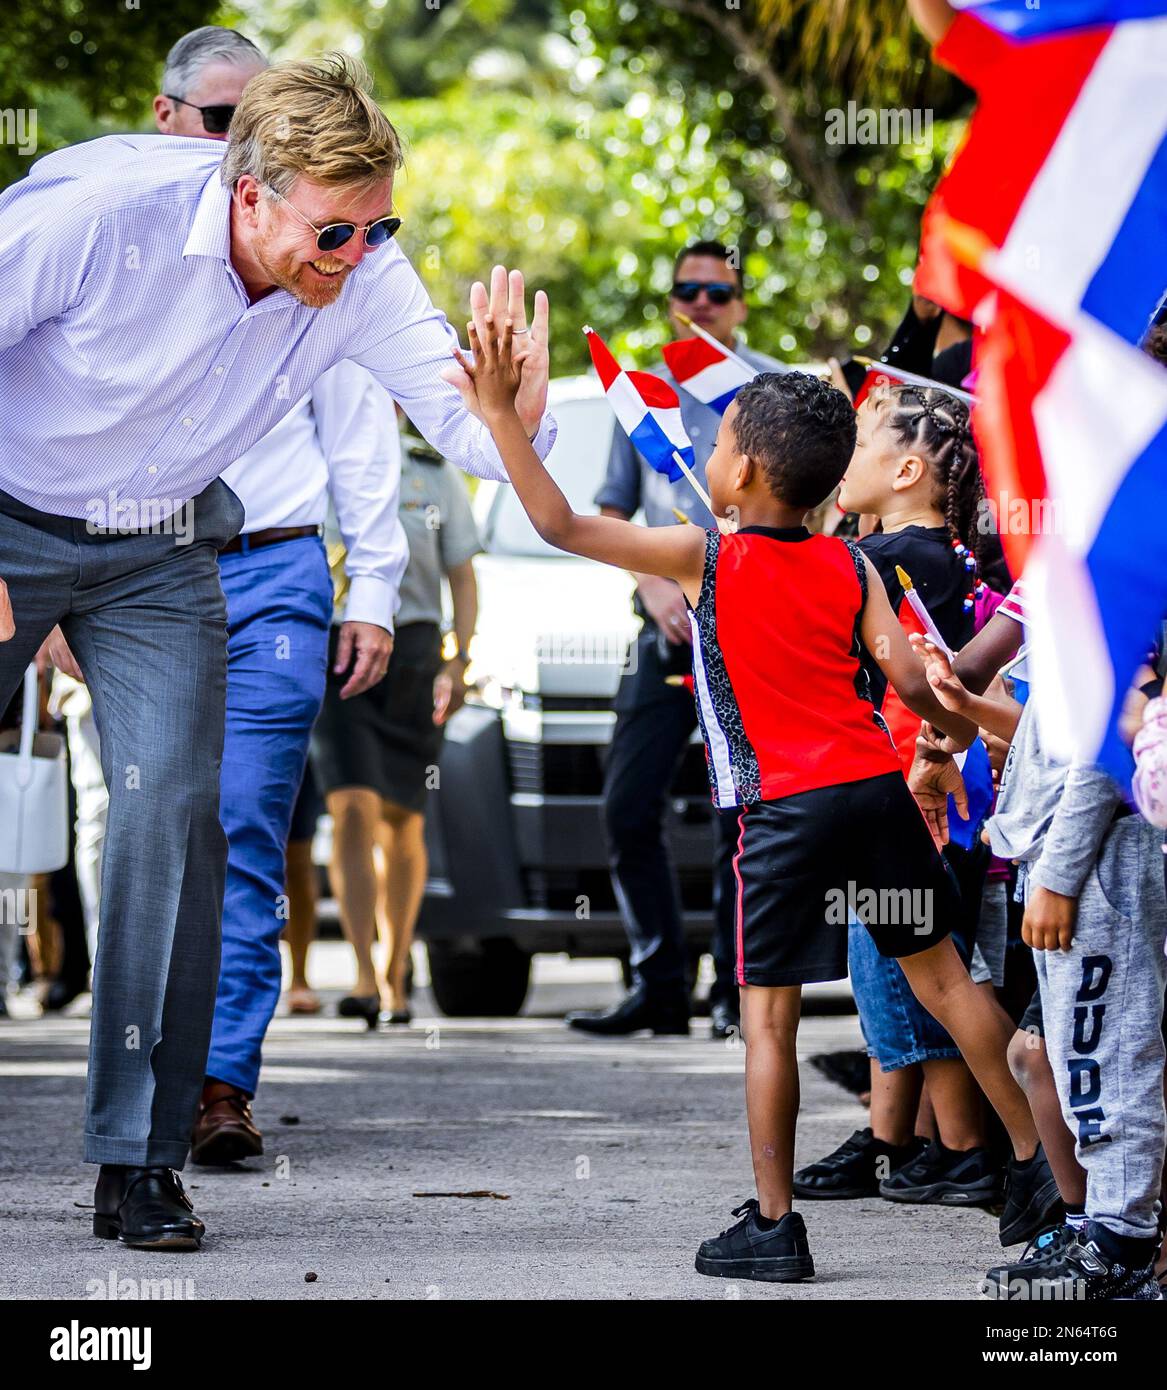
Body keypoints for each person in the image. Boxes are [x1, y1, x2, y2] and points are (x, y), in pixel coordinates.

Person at [0, 52, 553, 1250]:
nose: (353, 257)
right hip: (8, 510)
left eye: (376, 228)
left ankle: (141, 1157)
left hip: (158, 549)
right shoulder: (100, 215)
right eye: (333, 232)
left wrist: (515, 405)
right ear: (249, 193)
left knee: (177, 823)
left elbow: (465, 426)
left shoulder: (363, 271)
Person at [461, 311, 1054, 1282]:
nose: (715, 454)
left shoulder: (706, 556)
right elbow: (916, 685)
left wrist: (500, 418)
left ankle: (775, 1224)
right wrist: (941, 748)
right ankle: (1033, 1168)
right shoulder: (852, 563)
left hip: (782, 816)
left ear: (737, 475)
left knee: (769, 1020)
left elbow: (559, 523)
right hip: (873, 794)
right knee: (947, 978)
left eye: (723, 442)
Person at [792, 386, 1052, 1233]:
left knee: (920, 976)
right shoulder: (928, 555)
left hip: (913, 794)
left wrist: (929, 760)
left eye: (861, 443)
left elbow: (916, 686)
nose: (845, 459)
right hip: (926, 784)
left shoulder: (890, 559)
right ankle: (945, 1145)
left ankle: (984, 1150)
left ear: (907, 470)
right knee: (916, 974)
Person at [576, 241, 784, 1040]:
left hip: (750, 628)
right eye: (686, 290)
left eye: (716, 291)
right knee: (628, 806)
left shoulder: (767, 389)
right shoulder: (642, 393)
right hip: (662, 627)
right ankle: (658, 984)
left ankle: (738, 990)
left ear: (738, 303)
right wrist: (654, 585)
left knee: (742, 813)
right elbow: (611, 513)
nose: (700, 303)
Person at [917, 641, 1167, 1300]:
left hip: (1095, 860)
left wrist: (1057, 873)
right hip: (1066, 857)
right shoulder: (1066, 595)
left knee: (1107, 1056)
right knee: (1074, 1055)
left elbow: (1108, 741)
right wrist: (966, 708)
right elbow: (1050, 736)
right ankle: (1101, 1231)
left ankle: (1122, 1245)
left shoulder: (1100, 588)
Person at [311, 419, 481, 1025]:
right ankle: (361, 972)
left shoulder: (430, 473)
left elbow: (461, 571)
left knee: (402, 817)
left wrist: (459, 659)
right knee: (350, 807)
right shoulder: (315, 463)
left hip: (410, 649)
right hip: (334, 648)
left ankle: (395, 968)